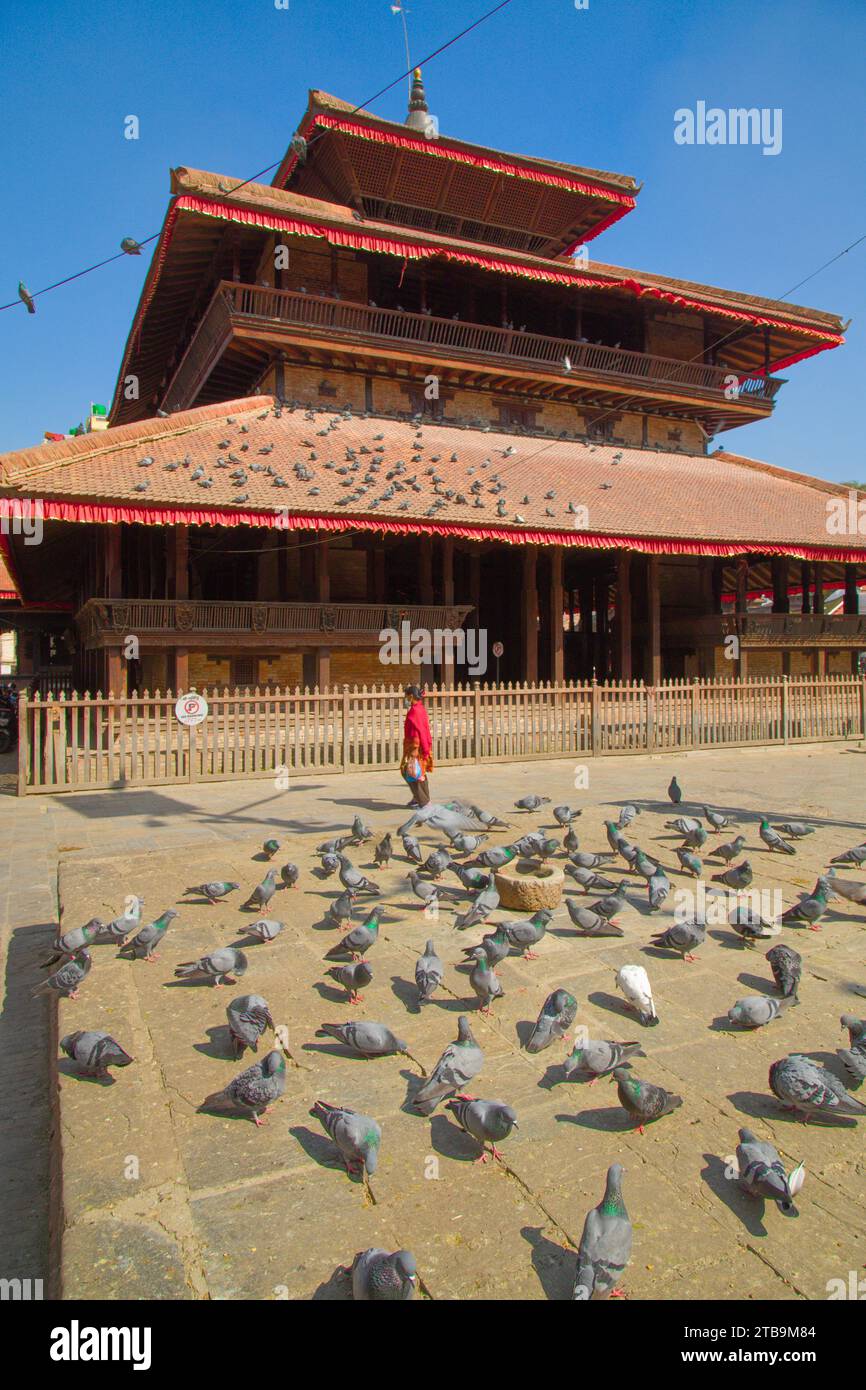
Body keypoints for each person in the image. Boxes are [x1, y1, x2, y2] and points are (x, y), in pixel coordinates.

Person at [401, 685, 433, 807]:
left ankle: (424, 802)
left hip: (416, 747)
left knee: (411, 772)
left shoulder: (416, 711)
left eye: (406, 696)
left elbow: (418, 731)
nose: (406, 699)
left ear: (411, 696)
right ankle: (418, 798)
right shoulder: (418, 708)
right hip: (416, 746)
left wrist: (415, 749)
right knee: (419, 772)